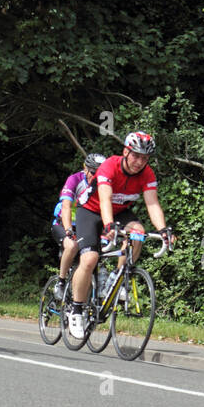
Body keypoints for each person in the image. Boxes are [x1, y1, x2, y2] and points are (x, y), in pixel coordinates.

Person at [67, 131, 174, 340]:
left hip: (120, 212)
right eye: (135, 155)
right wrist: (108, 226)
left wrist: (162, 230)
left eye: (144, 158)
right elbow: (105, 199)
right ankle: (77, 309)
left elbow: (152, 204)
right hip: (91, 210)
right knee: (89, 259)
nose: (139, 162)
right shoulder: (109, 166)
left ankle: (118, 275)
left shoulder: (147, 174)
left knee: (139, 232)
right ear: (126, 151)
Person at [51, 153, 106, 298]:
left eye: (100, 173)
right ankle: (61, 281)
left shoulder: (103, 184)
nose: (96, 177)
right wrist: (68, 229)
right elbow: (66, 206)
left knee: (100, 252)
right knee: (72, 246)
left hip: (86, 226)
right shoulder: (74, 180)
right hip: (64, 223)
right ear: (85, 169)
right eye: (93, 173)